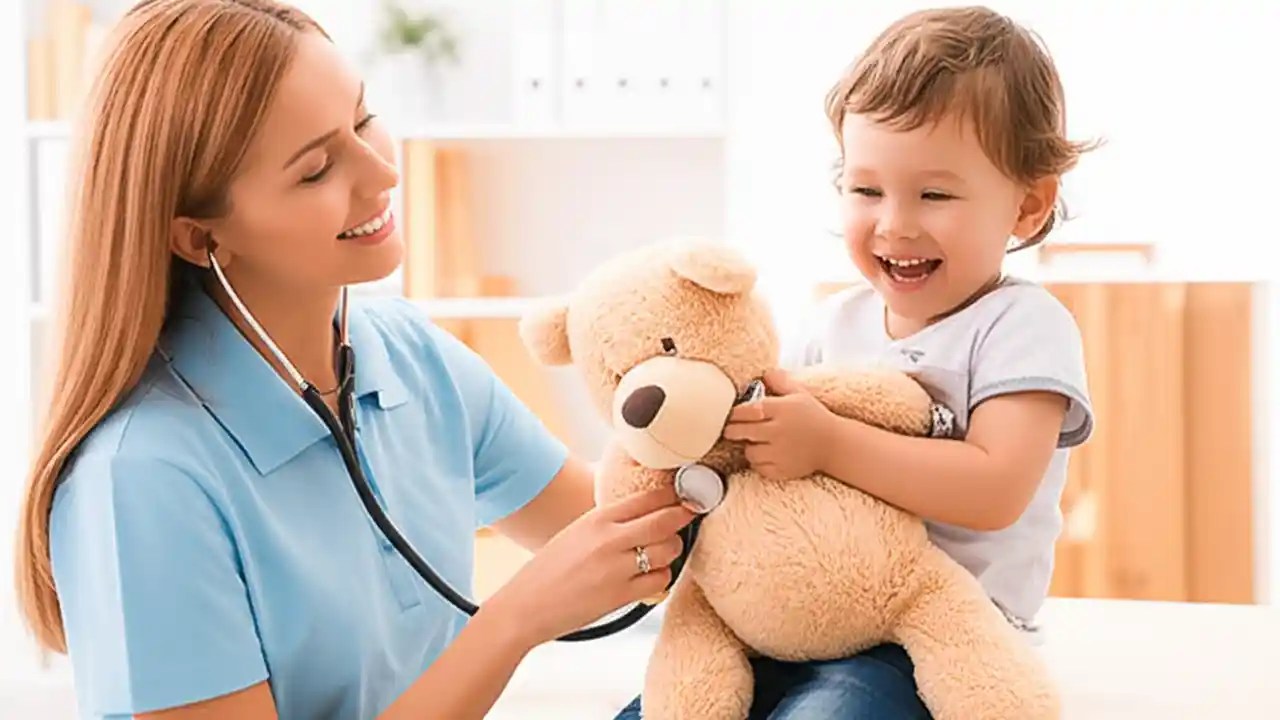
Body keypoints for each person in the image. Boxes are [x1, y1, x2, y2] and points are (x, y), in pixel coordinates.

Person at [12, 1, 695, 718]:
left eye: (365, 120)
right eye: (315, 170)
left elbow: (628, 530)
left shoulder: (408, 354)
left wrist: (780, 425)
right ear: (199, 236)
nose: (380, 175)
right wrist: (515, 621)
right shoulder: (141, 477)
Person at [623, 6, 1097, 718]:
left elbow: (996, 489)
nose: (895, 223)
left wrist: (829, 442)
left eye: (934, 194)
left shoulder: (1022, 325)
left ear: (1027, 207)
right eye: (866, 189)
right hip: (796, 615)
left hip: (934, 636)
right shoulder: (828, 323)